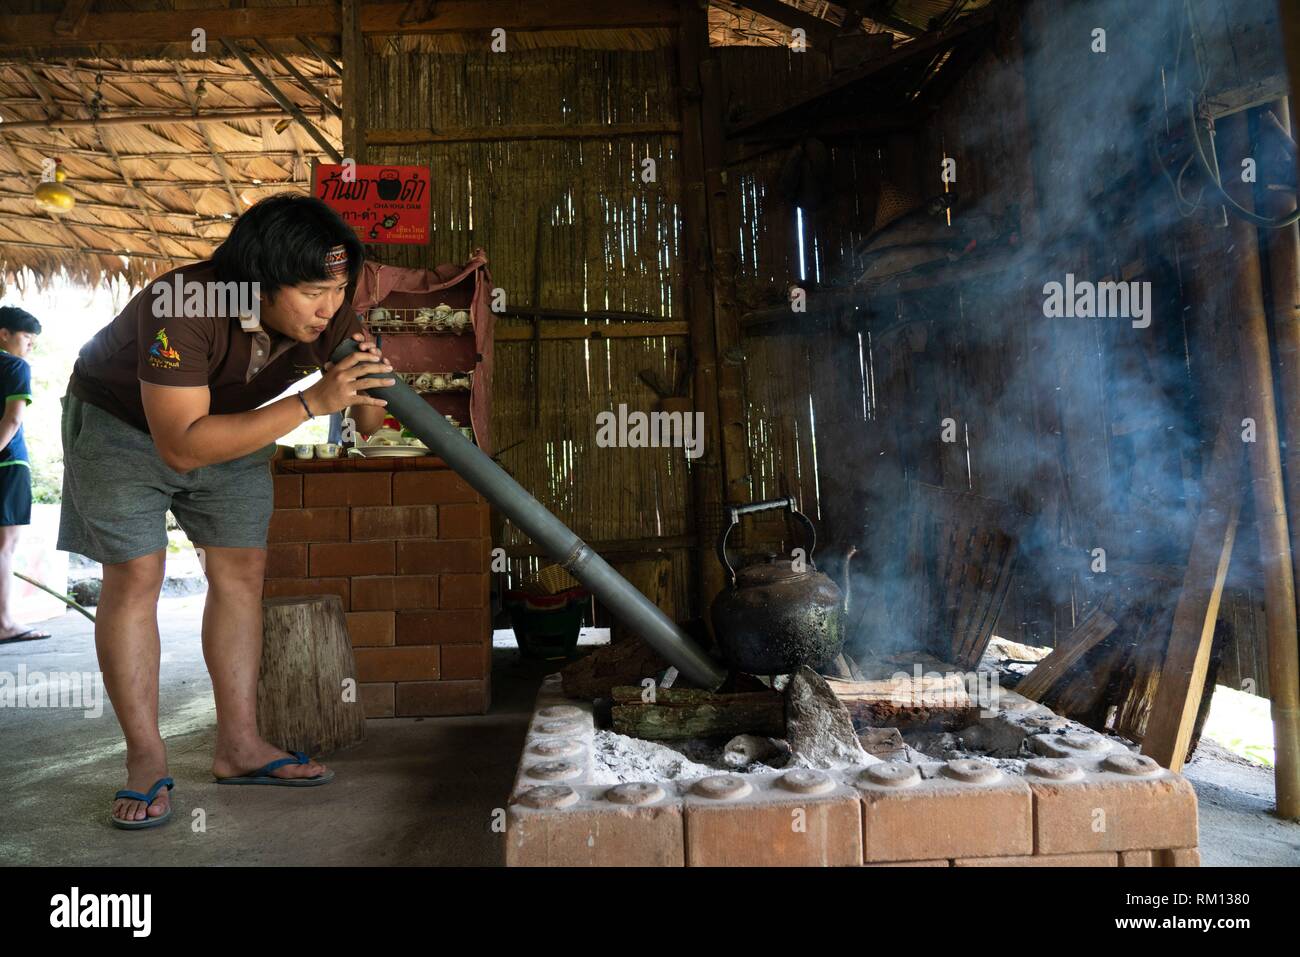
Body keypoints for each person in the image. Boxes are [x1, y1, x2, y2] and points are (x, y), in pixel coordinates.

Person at [59, 194, 395, 829]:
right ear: (258, 280)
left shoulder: (331, 316)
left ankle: (239, 746)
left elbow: (368, 423)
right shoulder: (182, 304)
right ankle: (145, 757)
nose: (328, 306)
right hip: (124, 427)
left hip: (236, 424)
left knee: (241, 574)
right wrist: (312, 403)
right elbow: (182, 446)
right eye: (312, 291)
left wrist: (365, 376)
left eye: (340, 288)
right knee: (137, 577)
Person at [0, 305, 50, 645]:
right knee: (5, 546)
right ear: (5, 334)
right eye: (27, 338)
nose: (29, 345)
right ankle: (4, 623)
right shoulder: (14, 366)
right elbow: (13, 419)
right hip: (8, 464)